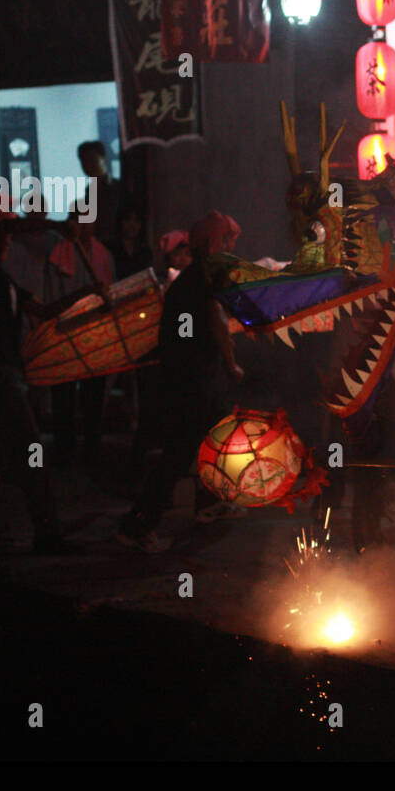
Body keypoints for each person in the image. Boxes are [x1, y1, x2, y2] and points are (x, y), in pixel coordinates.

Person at [118, 210, 245, 552]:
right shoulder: (202, 277)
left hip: (189, 376)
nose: (232, 246)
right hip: (192, 379)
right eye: (227, 240)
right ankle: (138, 525)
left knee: (211, 437)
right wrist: (232, 364)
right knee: (180, 452)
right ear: (212, 243)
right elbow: (216, 320)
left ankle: (208, 505)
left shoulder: (194, 277)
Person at [0, 207, 83, 555]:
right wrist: (57, 226)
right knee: (32, 451)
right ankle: (48, 531)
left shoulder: (3, 279)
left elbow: (44, 312)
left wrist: (87, 294)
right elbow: (15, 224)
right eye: (5, 231)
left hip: (8, 373)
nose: (10, 238)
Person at [46, 217, 115, 468]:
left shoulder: (103, 255)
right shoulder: (58, 253)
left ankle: (92, 452)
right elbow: (52, 294)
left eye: (90, 221)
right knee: (64, 396)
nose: (85, 226)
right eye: (80, 220)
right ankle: (64, 452)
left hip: (95, 334)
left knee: (93, 397)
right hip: (66, 332)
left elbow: (112, 292)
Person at [76, 141, 123, 244]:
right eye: (84, 161)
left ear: (104, 158)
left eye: (92, 160)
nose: (88, 165)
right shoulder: (89, 191)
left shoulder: (118, 187)